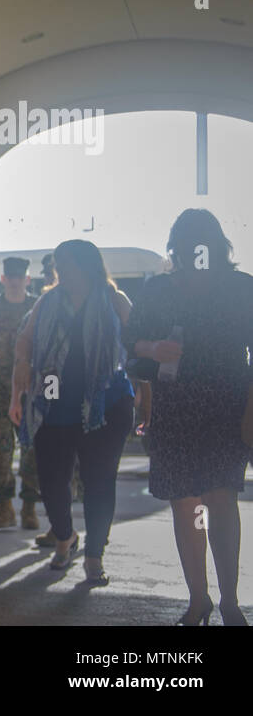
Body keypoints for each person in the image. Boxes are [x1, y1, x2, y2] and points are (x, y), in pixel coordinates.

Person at [122, 209, 253, 625]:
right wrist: (153, 347)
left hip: (227, 407)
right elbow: (129, 344)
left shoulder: (240, 288)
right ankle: (202, 599)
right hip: (175, 405)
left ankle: (225, 600)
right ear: (176, 248)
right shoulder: (159, 290)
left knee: (217, 500)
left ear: (216, 247)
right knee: (191, 504)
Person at [11, 240, 132, 584]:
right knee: (51, 480)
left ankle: (94, 555)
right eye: (57, 266)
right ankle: (64, 537)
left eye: (67, 265)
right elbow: (26, 339)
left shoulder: (113, 299)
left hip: (105, 402)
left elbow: (136, 347)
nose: (60, 271)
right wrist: (22, 363)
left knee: (98, 482)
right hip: (53, 397)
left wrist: (147, 396)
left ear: (88, 265)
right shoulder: (48, 301)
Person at [0, 257, 41, 530]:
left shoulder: (38, 307)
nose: (16, 280)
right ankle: (4, 507)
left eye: (21, 276)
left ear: (27, 279)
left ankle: (29, 507)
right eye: (11, 276)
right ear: (4, 279)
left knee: (32, 451)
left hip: (30, 389)